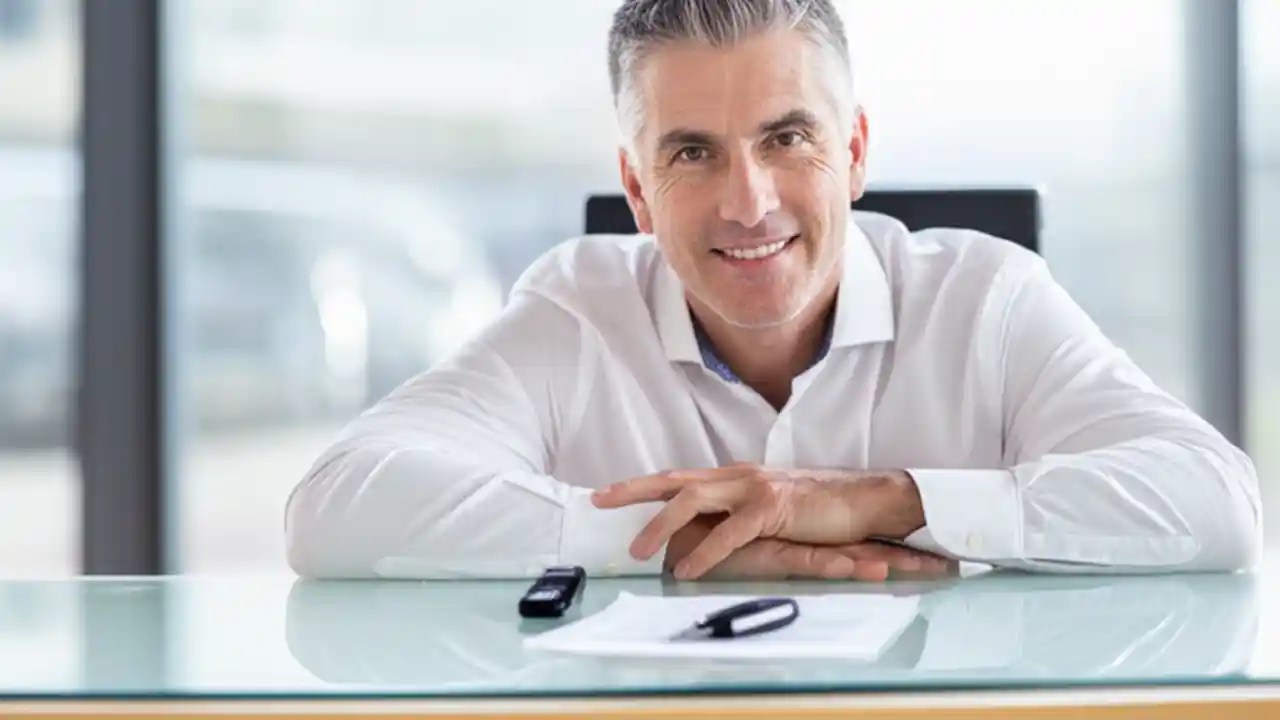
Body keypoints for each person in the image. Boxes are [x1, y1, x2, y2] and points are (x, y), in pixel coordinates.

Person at [284, 0, 1260, 581]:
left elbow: (1213, 503)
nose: (746, 203)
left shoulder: (985, 298)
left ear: (853, 151)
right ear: (636, 189)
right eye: (691, 153)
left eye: (785, 138)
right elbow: (334, 510)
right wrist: (675, 540)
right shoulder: (573, 308)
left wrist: (869, 501)